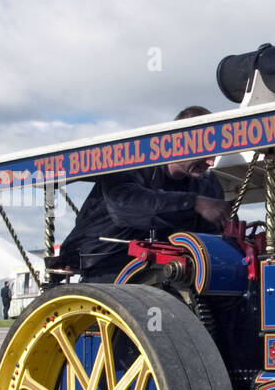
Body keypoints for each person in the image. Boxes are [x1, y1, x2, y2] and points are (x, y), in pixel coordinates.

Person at [56, 106, 231, 282]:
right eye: (206, 152)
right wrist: (195, 203)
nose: (211, 161)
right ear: (180, 142)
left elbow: (212, 229)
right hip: (105, 263)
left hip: (165, 269)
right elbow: (125, 206)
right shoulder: (132, 161)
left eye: (214, 153)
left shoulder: (208, 184)